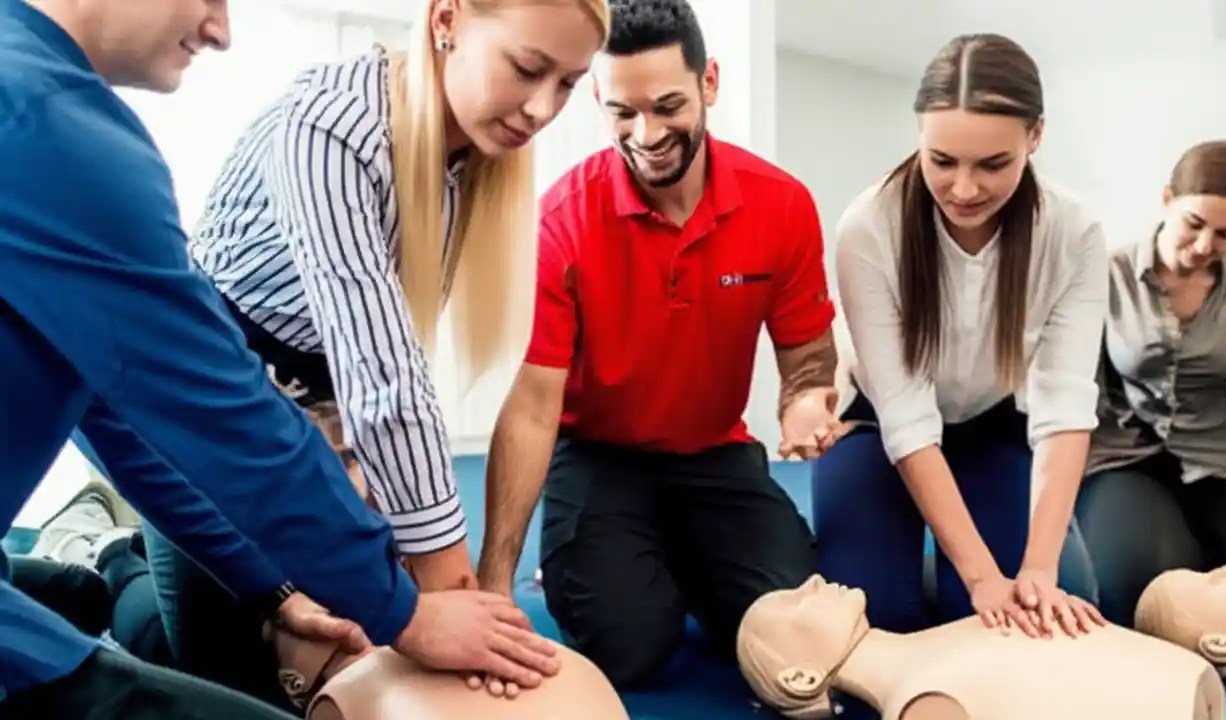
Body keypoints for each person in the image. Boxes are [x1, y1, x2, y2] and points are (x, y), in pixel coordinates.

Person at [0, 0, 559, 716]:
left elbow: (110, 416)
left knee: (119, 607)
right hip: (241, 417)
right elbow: (230, 420)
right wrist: (409, 610)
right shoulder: (61, 134)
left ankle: (88, 566)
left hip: (254, 427)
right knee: (221, 665)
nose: (221, 30)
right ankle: (102, 551)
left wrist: (275, 586)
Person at [129, 0, 608, 705]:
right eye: (528, 68)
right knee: (226, 679)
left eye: (567, 83)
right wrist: (446, 586)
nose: (542, 108)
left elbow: (377, 369)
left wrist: (421, 572)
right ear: (446, 19)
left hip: (310, 408)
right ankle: (112, 562)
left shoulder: (466, 153)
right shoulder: (331, 129)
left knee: (337, 633)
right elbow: (380, 375)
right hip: (200, 404)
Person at [476, 0, 846, 689]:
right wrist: (492, 582)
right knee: (629, 648)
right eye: (623, 111)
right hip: (600, 455)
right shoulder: (562, 220)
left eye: (668, 104)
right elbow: (532, 406)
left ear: (709, 83)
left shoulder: (782, 205)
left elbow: (809, 361)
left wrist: (805, 402)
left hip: (715, 451)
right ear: (596, 96)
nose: (646, 133)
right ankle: (609, 561)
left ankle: (673, 556)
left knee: (792, 627)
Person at [812, 33, 1107, 646]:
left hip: (990, 429)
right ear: (919, 135)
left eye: (992, 164)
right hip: (873, 431)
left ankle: (948, 559)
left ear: (1035, 137)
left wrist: (1039, 569)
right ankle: (914, 551)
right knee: (879, 616)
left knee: (1051, 609)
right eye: (942, 160)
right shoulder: (869, 226)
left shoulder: (1073, 231)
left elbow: (1065, 406)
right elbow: (906, 414)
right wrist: (980, 576)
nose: (964, 189)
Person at [1077, 139, 1226, 627]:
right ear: (1168, 198)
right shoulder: (1106, 274)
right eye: (1195, 223)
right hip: (1121, 458)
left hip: (1214, 458)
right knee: (1134, 586)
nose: (1207, 246)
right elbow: (1074, 396)